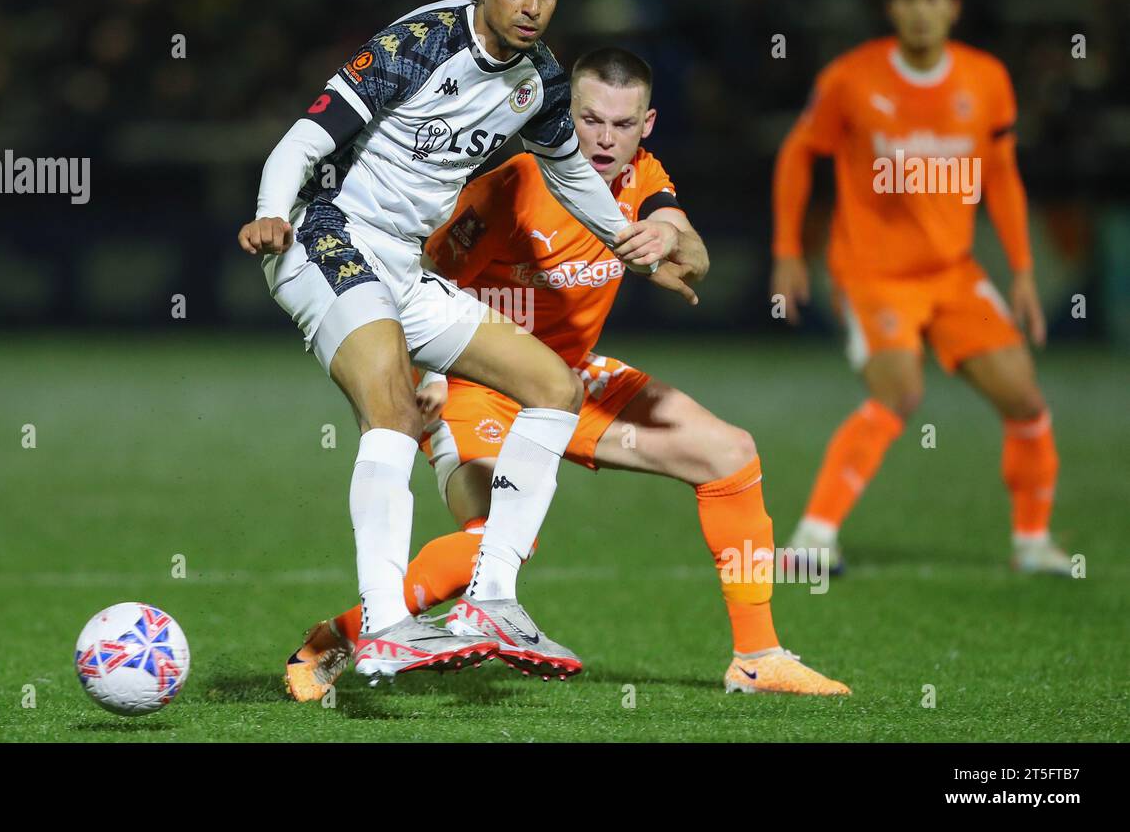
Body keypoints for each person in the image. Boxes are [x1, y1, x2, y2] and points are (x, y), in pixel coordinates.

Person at [285, 47, 851, 701]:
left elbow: (691, 252)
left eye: (622, 123)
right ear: (562, 113)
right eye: (590, 119)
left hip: (573, 382)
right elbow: (420, 281)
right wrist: (421, 380)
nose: (605, 138)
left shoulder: (645, 178)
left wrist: (670, 241)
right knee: (490, 546)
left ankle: (758, 658)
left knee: (730, 455)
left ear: (648, 124)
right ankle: (334, 642)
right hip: (478, 387)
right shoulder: (513, 187)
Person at [239, 0, 683, 681]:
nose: (532, 5)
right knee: (391, 405)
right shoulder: (421, 43)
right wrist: (274, 209)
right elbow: (308, 136)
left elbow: (574, 173)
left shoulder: (540, 80)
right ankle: (385, 624)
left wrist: (627, 242)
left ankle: (494, 600)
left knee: (554, 385)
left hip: (403, 266)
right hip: (325, 231)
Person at [770, 0, 1068, 575]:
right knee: (900, 393)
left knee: (1026, 401)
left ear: (953, 6)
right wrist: (788, 251)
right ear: (892, 9)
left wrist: (1020, 270)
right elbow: (799, 154)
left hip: (953, 273)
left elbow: (1003, 176)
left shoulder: (986, 79)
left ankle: (1032, 543)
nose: (920, 8)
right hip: (872, 273)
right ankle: (811, 539)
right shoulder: (853, 78)